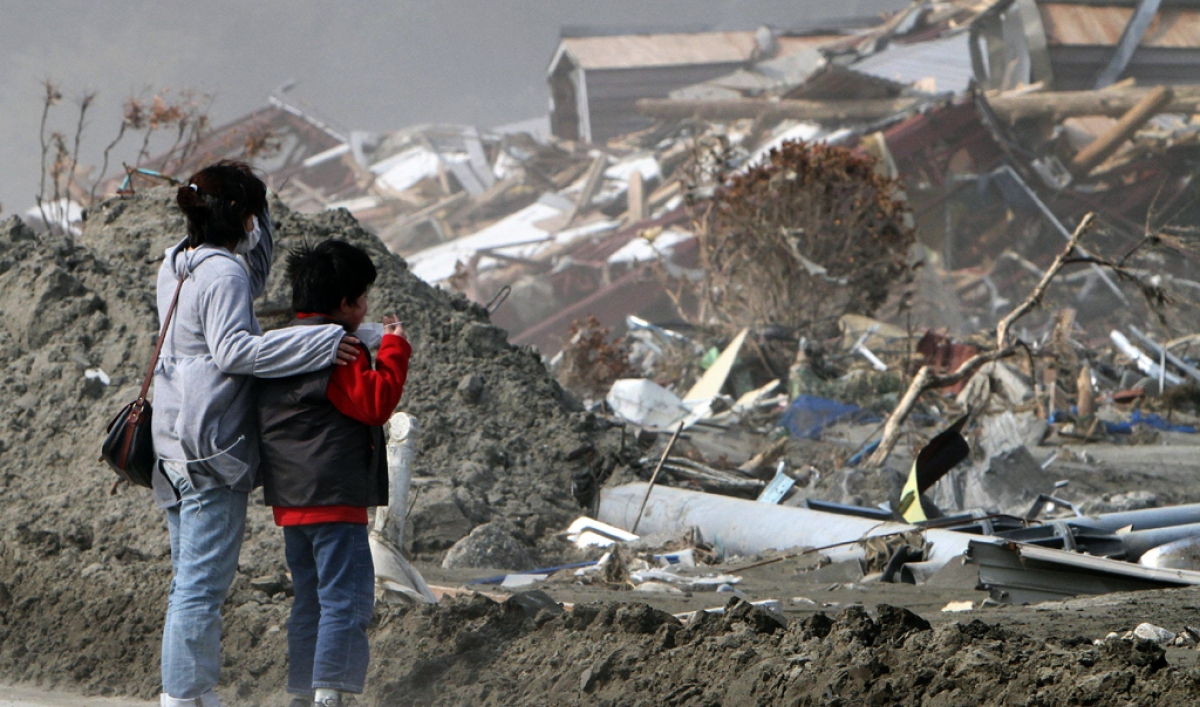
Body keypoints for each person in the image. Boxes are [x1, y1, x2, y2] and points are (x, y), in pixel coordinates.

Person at [153, 161, 362, 707]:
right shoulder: (223, 273)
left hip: (170, 438)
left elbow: (249, 278)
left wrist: (256, 216)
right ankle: (182, 696)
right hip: (210, 445)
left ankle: (191, 693)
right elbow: (234, 351)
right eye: (255, 215)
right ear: (243, 218)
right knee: (202, 586)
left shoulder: (177, 262)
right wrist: (318, 342)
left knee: (187, 580)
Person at [256, 240, 410, 707]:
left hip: (290, 496)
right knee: (347, 598)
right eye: (361, 299)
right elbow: (375, 403)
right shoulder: (336, 349)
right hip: (333, 495)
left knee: (309, 600)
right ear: (344, 304)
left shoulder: (275, 345)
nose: (366, 308)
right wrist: (395, 351)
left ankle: (303, 692)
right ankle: (331, 694)